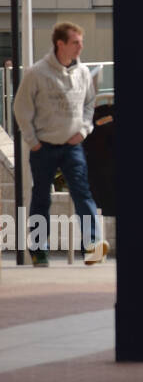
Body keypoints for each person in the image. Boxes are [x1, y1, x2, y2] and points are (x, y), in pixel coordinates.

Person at [14, 22, 102, 267]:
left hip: (72, 145)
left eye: (81, 42)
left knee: (83, 194)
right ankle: (39, 249)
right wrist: (33, 141)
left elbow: (89, 104)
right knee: (41, 196)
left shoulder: (83, 72)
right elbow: (21, 108)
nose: (80, 47)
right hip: (44, 145)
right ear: (59, 44)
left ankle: (93, 246)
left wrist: (84, 131)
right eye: (75, 42)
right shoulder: (37, 73)